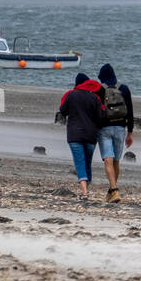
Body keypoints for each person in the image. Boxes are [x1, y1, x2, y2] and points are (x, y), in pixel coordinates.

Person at [58, 72, 105, 201]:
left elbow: (62, 110)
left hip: (74, 134)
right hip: (91, 135)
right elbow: (101, 117)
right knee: (87, 163)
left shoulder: (71, 95)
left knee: (79, 162)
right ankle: (86, 188)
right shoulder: (95, 98)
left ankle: (84, 193)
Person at [96, 62, 134, 203]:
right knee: (116, 161)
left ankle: (114, 190)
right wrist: (130, 132)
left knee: (108, 159)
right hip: (120, 129)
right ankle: (113, 190)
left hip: (104, 129)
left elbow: (97, 111)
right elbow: (130, 111)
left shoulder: (99, 89)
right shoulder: (124, 88)